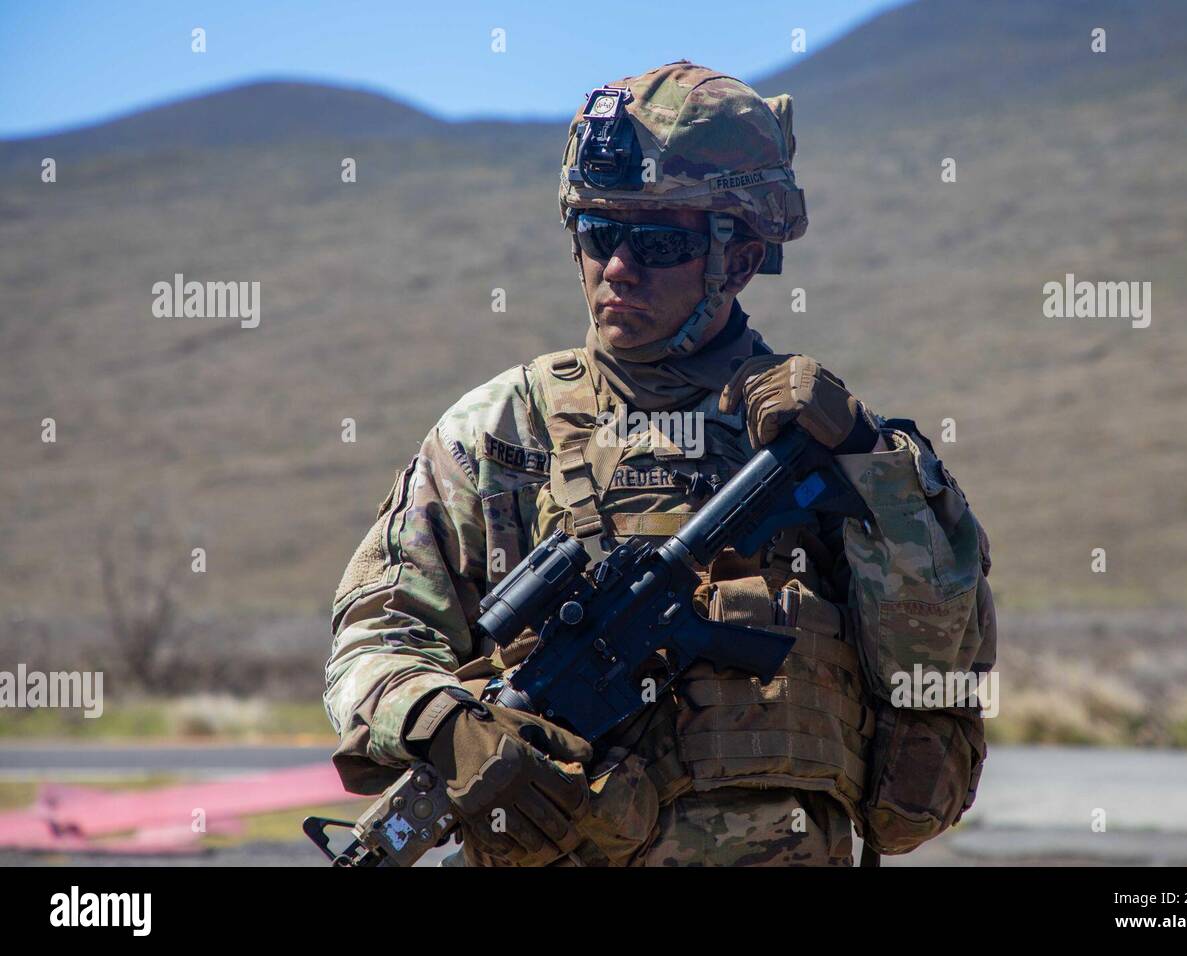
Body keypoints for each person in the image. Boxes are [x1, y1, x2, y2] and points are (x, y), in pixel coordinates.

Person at [325, 61, 996, 866]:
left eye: (658, 242)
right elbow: (374, 638)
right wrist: (442, 724)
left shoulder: (828, 444)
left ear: (740, 259)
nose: (616, 269)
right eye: (597, 234)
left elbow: (939, 666)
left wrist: (865, 458)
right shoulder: (504, 430)